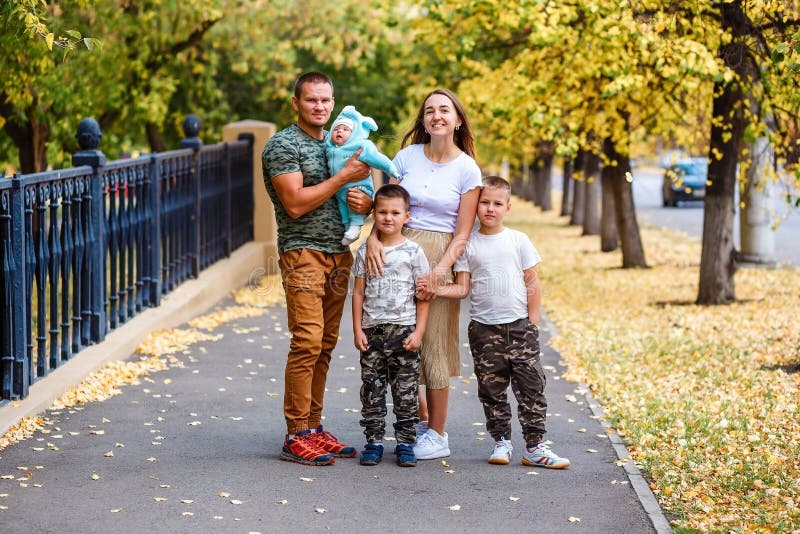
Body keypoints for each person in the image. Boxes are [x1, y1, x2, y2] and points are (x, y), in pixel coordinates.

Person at [261, 71, 373, 466]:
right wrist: (343, 177)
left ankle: (312, 426)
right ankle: (295, 434)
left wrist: (365, 204)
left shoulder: (338, 141)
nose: (320, 107)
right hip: (303, 252)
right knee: (307, 340)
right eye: (312, 100)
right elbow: (294, 203)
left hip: (339, 253)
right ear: (296, 102)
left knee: (325, 345)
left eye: (326, 100)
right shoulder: (282, 145)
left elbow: (354, 194)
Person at [365, 89, 481, 460]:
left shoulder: (467, 169)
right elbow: (386, 205)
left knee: (432, 341)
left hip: (441, 255)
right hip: (397, 249)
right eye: (430, 111)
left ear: (457, 119)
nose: (437, 116)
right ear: (423, 120)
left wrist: (439, 272)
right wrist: (372, 240)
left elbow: (463, 231)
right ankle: (419, 418)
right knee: (397, 335)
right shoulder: (406, 157)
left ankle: (437, 433)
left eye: (444, 110)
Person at [434, 176, 570, 468]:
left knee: (531, 386)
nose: (490, 209)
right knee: (491, 389)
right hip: (484, 330)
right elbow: (462, 288)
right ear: (476, 206)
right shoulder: (467, 245)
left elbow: (532, 281)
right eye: (484, 202)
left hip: (520, 327)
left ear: (508, 207)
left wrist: (533, 322)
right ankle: (502, 442)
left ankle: (535, 447)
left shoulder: (518, 240)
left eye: (497, 203)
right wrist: (435, 288)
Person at [352, 184, 430, 467]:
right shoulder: (364, 251)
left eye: (395, 212)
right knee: (372, 389)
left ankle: (406, 442)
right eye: (382, 211)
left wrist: (419, 331)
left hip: (404, 331)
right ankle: (373, 441)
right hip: (372, 331)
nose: (388, 217)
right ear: (374, 214)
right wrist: (358, 329)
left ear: (406, 216)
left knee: (405, 390)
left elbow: (423, 297)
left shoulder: (414, 252)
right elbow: (358, 292)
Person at [326, 105, 400, 245]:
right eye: (336, 129)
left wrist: (391, 169)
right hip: (338, 190)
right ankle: (347, 229)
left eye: (345, 129)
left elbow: (377, 159)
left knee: (353, 205)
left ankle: (355, 227)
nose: (339, 131)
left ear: (354, 133)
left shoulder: (360, 146)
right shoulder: (328, 146)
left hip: (358, 187)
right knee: (342, 208)